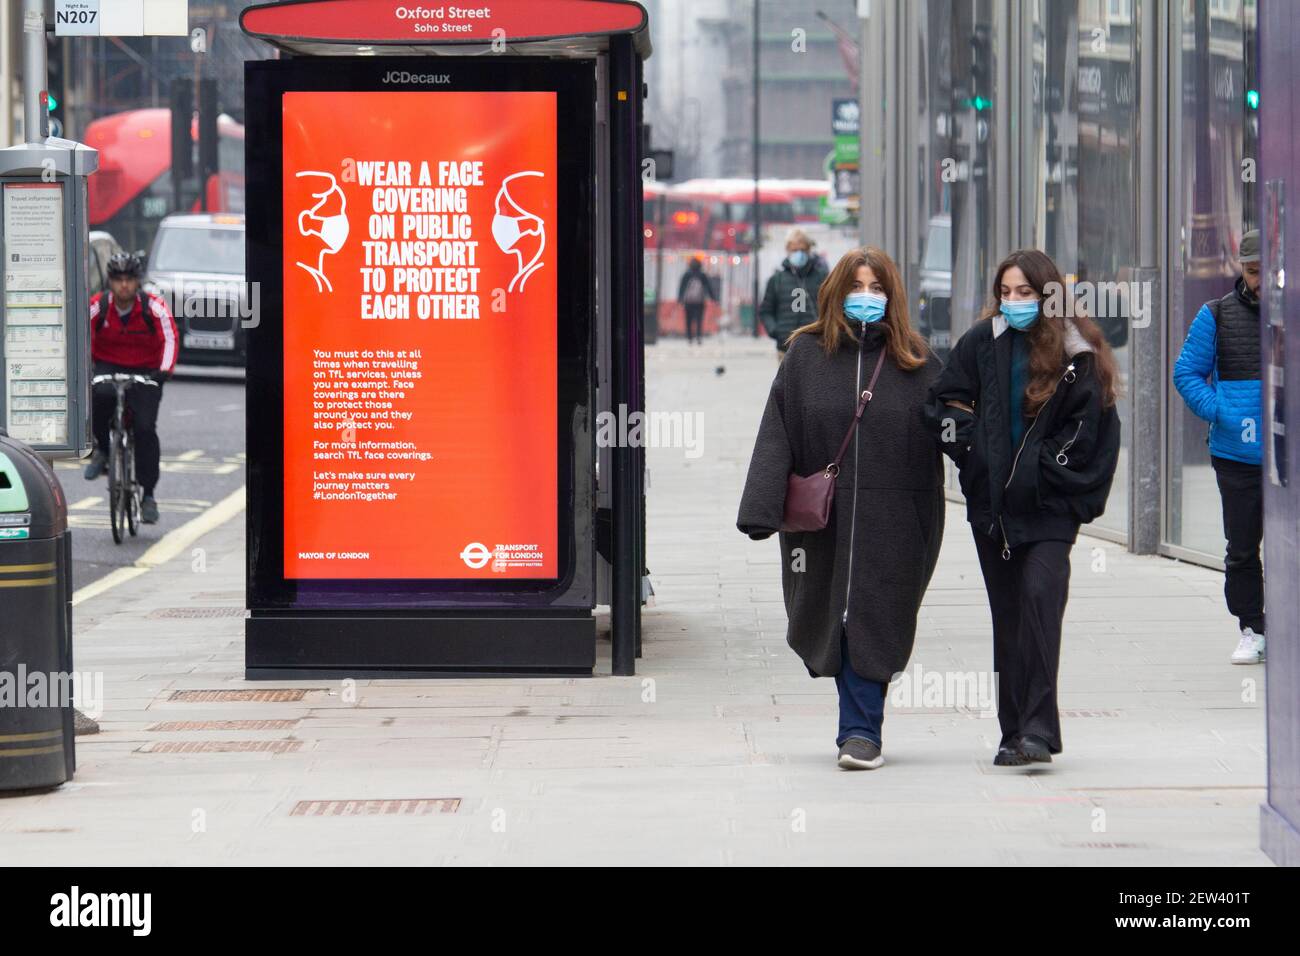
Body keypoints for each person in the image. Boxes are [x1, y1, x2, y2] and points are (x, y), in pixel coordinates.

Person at [738, 247, 945, 770]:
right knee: (831, 614)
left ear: (893, 298)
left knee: (873, 617)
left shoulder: (917, 362)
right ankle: (856, 725)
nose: (867, 297)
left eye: (877, 288)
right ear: (835, 292)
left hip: (898, 519)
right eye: (857, 286)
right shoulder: (806, 356)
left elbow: (955, 430)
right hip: (821, 521)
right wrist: (761, 508)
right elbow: (776, 432)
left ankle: (859, 732)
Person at [923, 249, 1120, 767]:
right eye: (1005, 293)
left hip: (1049, 511)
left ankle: (1037, 730)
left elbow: (1094, 436)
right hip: (991, 509)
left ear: (1048, 295)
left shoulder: (1078, 355)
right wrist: (971, 452)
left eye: (1024, 293)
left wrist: (1044, 475)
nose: (1012, 302)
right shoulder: (979, 344)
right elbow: (944, 401)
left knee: (1039, 604)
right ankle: (1013, 732)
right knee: (1008, 619)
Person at [1173, 229, 1266, 664]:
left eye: (1268, 270)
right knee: (1243, 546)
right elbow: (1187, 374)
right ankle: (1252, 626)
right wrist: (1220, 410)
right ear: (1240, 269)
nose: (1260, 280)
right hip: (1237, 455)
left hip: (1289, 457)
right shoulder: (1216, 315)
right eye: (1252, 271)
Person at [84, 251, 179, 524]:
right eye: (118, 279)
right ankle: (103, 449)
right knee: (98, 400)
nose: (123, 285)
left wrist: (163, 372)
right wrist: (85, 372)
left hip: (147, 372)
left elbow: (170, 338)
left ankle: (148, 495)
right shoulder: (97, 307)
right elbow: (80, 337)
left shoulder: (154, 307)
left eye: (129, 279)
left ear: (138, 282)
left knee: (145, 429)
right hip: (107, 366)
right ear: (110, 282)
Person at [759, 228, 829, 360]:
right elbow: (765, 311)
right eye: (795, 250)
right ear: (787, 250)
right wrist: (775, 331)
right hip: (786, 348)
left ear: (809, 250)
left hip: (817, 348)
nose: (799, 254)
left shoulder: (822, 278)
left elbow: (832, 307)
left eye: (802, 250)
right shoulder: (776, 280)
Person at [677, 256, 716, 344]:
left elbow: (682, 287)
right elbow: (708, 287)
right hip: (699, 301)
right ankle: (698, 336)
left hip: (688, 301)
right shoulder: (702, 275)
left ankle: (690, 337)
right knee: (699, 319)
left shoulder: (686, 274)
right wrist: (713, 298)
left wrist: (680, 298)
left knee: (689, 320)